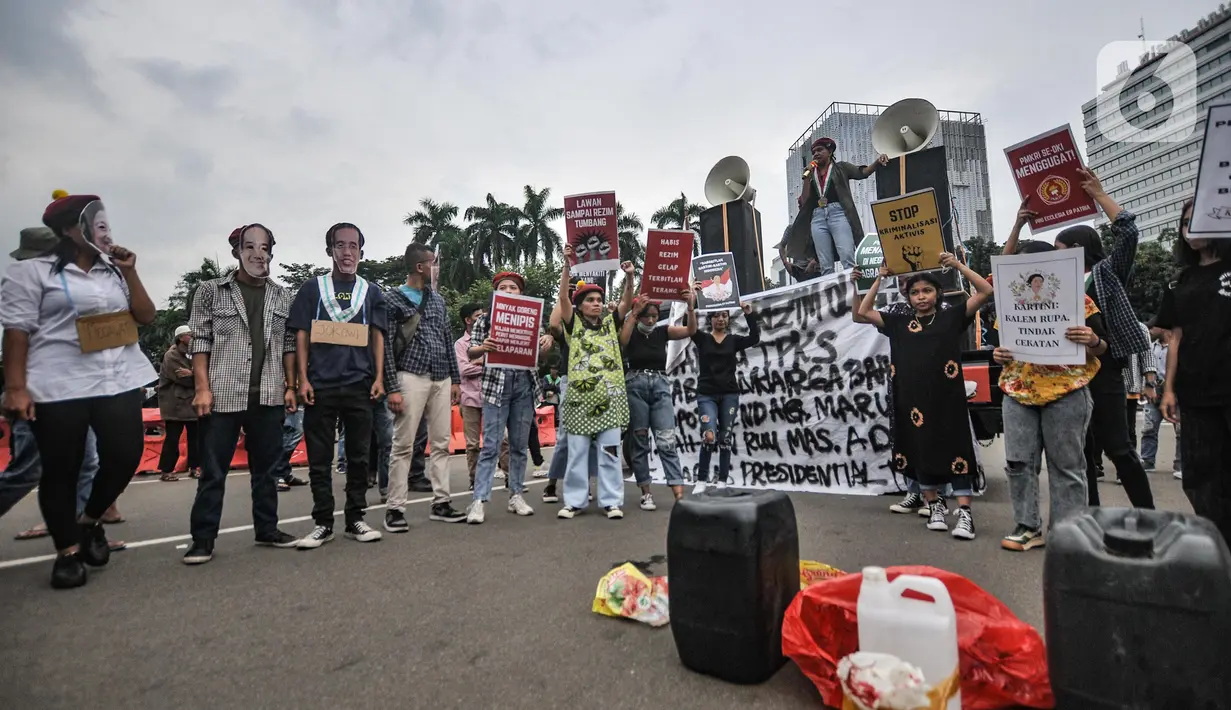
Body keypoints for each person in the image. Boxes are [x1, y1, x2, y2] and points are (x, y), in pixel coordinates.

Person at [1, 191, 156, 588]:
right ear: (71, 229)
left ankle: (88, 522)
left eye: (107, 224)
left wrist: (131, 270)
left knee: (125, 456)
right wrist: (15, 388)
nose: (106, 233)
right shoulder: (31, 272)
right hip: (59, 383)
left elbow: (145, 316)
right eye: (97, 225)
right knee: (61, 470)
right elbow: (17, 332)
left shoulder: (114, 270)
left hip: (117, 377)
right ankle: (67, 552)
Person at [1005, 175, 1155, 511]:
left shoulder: (1105, 273)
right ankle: (1090, 520)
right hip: (1065, 376)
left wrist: (1098, 194)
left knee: (1119, 447)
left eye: (1059, 250)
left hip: (1102, 372)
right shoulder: (1050, 284)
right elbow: (1007, 269)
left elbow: (1128, 234)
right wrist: (1017, 225)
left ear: (1077, 250)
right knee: (1081, 454)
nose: (1053, 257)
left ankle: (1148, 517)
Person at [182, 224, 300, 565]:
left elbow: (288, 345)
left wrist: (290, 387)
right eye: (250, 246)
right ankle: (202, 539)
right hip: (222, 394)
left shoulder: (282, 295)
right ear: (237, 251)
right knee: (213, 470)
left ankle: (267, 529)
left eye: (264, 247)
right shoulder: (210, 291)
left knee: (267, 470)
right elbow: (200, 341)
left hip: (268, 393)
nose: (257, 253)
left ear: (272, 253)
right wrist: (202, 389)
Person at [855, 253, 993, 540]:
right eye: (915, 292)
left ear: (938, 294)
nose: (921, 297)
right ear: (909, 298)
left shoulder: (951, 317)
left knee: (957, 450)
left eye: (927, 290)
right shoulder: (897, 323)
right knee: (920, 449)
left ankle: (965, 514)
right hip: (912, 402)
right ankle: (935, 507)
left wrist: (957, 265)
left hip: (948, 401)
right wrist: (879, 278)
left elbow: (986, 291)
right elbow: (862, 313)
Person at [994, 239, 1108, 551]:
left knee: (1067, 465)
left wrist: (1093, 340)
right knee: (1018, 463)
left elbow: (1102, 348)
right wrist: (999, 355)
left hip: (1066, 392)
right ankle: (1027, 526)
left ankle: (1067, 532)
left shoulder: (1079, 301)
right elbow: (1001, 345)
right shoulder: (1010, 300)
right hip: (1017, 391)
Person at [289, 223, 388, 548]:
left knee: (359, 456)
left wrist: (378, 377)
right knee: (319, 458)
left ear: (361, 251)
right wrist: (302, 379)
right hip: (320, 385)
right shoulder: (312, 290)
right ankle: (322, 523)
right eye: (340, 245)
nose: (347, 252)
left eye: (353, 246)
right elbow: (301, 335)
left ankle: (355, 518)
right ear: (329, 249)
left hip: (360, 385)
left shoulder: (371, 292)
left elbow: (377, 335)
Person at [852, 274, 961, 516]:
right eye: (906, 286)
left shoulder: (941, 310)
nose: (916, 293)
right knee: (912, 439)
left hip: (938, 387)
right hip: (907, 386)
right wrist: (858, 285)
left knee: (937, 438)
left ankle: (936, 497)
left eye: (923, 289)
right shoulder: (897, 313)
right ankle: (916, 493)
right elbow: (860, 314)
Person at [1158, 198, 1231, 542]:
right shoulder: (1180, 281)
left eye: (1196, 220)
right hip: (1196, 393)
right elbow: (1175, 337)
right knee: (1200, 477)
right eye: (1184, 223)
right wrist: (1169, 389)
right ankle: (1219, 546)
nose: (1190, 230)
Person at [382, 242, 466, 531]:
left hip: (441, 377)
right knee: (403, 444)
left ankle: (441, 502)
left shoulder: (438, 300)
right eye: (433, 262)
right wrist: (392, 387)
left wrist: (455, 380)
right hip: (410, 375)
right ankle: (395, 508)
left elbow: (446, 340)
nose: (436, 267)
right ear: (420, 267)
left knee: (441, 443)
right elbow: (385, 347)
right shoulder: (392, 299)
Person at [465, 270, 554, 523]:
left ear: (521, 293)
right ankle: (479, 500)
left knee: (519, 445)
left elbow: (542, 355)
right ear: (496, 293)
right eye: (503, 287)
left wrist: (547, 341)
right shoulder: (485, 321)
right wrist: (484, 347)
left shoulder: (533, 319)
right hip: (496, 386)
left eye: (513, 287)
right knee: (491, 445)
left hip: (524, 385)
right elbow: (471, 352)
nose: (508, 290)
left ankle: (516, 494)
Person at [555, 247, 630, 519]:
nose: (597, 303)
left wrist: (630, 278)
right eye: (591, 300)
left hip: (609, 403)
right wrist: (566, 265)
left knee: (610, 454)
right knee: (577, 455)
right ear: (579, 306)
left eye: (599, 299)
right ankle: (574, 502)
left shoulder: (610, 325)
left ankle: (611, 501)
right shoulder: (572, 325)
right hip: (578, 403)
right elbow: (563, 297)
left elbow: (625, 304)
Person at [620, 289, 696, 509]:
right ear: (639, 316)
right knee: (640, 440)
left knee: (666, 440)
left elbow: (691, 330)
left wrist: (690, 306)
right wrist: (632, 315)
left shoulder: (662, 332)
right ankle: (646, 492)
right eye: (647, 316)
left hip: (660, 386)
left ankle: (678, 494)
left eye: (654, 316)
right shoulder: (631, 331)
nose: (652, 320)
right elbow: (622, 341)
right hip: (635, 385)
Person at [782, 137, 889, 276]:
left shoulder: (841, 168)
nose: (816, 154)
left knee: (847, 255)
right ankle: (832, 294)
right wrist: (807, 178)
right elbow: (805, 200)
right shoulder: (811, 174)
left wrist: (877, 162)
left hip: (838, 213)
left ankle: (854, 293)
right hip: (817, 217)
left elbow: (862, 173)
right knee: (825, 263)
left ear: (830, 151)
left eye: (820, 150)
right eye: (814, 152)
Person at [688, 299, 761, 489]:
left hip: (729, 394)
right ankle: (702, 480)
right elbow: (688, 329)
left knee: (725, 438)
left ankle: (722, 480)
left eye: (724, 315)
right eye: (716, 316)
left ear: (728, 319)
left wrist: (748, 313)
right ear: (710, 318)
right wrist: (691, 303)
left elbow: (754, 338)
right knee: (709, 436)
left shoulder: (733, 340)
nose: (720, 319)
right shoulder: (703, 338)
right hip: (707, 395)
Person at [455, 303, 508, 489]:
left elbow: (502, 364)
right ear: (468, 320)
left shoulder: (493, 340)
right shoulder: (461, 344)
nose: (482, 319)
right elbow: (464, 369)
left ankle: (511, 477)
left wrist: (479, 361)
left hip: (492, 396)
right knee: (472, 444)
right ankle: (475, 481)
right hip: (469, 398)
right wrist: (486, 361)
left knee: (502, 439)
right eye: (478, 316)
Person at [156, 325, 199, 482]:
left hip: (192, 403)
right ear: (181, 337)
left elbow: (201, 373)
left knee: (195, 438)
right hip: (175, 403)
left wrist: (194, 373)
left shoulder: (193, 354)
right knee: (173, 438)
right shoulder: (172, 356)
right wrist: (197, 375)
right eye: (189, 334)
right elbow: (183, 379)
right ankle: (166, 470)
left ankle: (195, 468)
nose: (193, 337)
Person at [1141, 326, 1181, 478]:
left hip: (1174, 390)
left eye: (1154, 326)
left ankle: (1181, 464)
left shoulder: (1177, 345)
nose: (1150, 329)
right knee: (1149, 427)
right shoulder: (1152, 346)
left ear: (1164, 328)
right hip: (1155, 390)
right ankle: (1147, 459)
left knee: (1180, 430)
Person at [1122, 321, 1157, 454]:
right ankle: (1095, 466)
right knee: (1097, 429)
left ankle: (1127, 470)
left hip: (1130, 387)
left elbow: (1147, 356)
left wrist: (1149, 384)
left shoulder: (1138, 327)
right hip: (1101, 385)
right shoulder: (1099, 324)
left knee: (1128, 429)